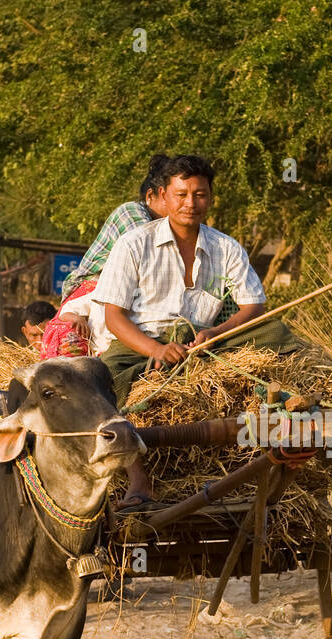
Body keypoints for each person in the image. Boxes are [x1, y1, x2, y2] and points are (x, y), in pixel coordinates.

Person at [94, 154, 301, 509]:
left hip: (207, 342)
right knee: (98, 387)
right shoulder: (134, 244)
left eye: (200, 194)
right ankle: (139, 481)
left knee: (275, 331)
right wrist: (156, 351)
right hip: (143, 343)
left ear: (210, 197)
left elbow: (254, 306)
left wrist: (216, 333)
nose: (191, 203)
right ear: (163, 195)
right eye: (181, 194)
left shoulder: (226, 247)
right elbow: (114, 317)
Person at [42, 155, 172, 360]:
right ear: (151, 196)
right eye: (174, 196)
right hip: (91, 291)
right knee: (71, 354)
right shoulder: (132, 213)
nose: (180, 204)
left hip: (123, 296)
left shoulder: (167, 229)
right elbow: (152, 259)